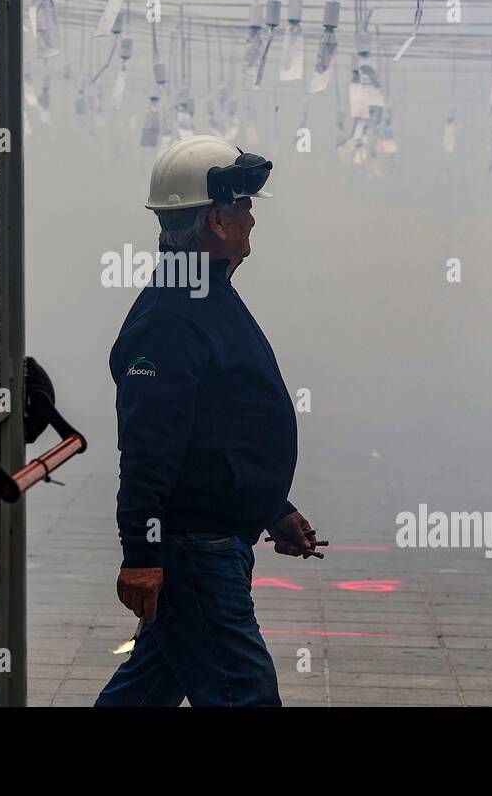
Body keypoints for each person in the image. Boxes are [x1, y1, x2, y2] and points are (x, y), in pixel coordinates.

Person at [94, 134, 326, 708]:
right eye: (245, 208)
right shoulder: (171, 320)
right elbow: (148, 446)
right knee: (243, 693)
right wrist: (142, 555)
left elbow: (218, 429)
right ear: (218, 220)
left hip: (211, 540)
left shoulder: (205, 296)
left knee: (146, 689)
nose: (253, 221)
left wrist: (272, 506)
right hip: (194, 548)